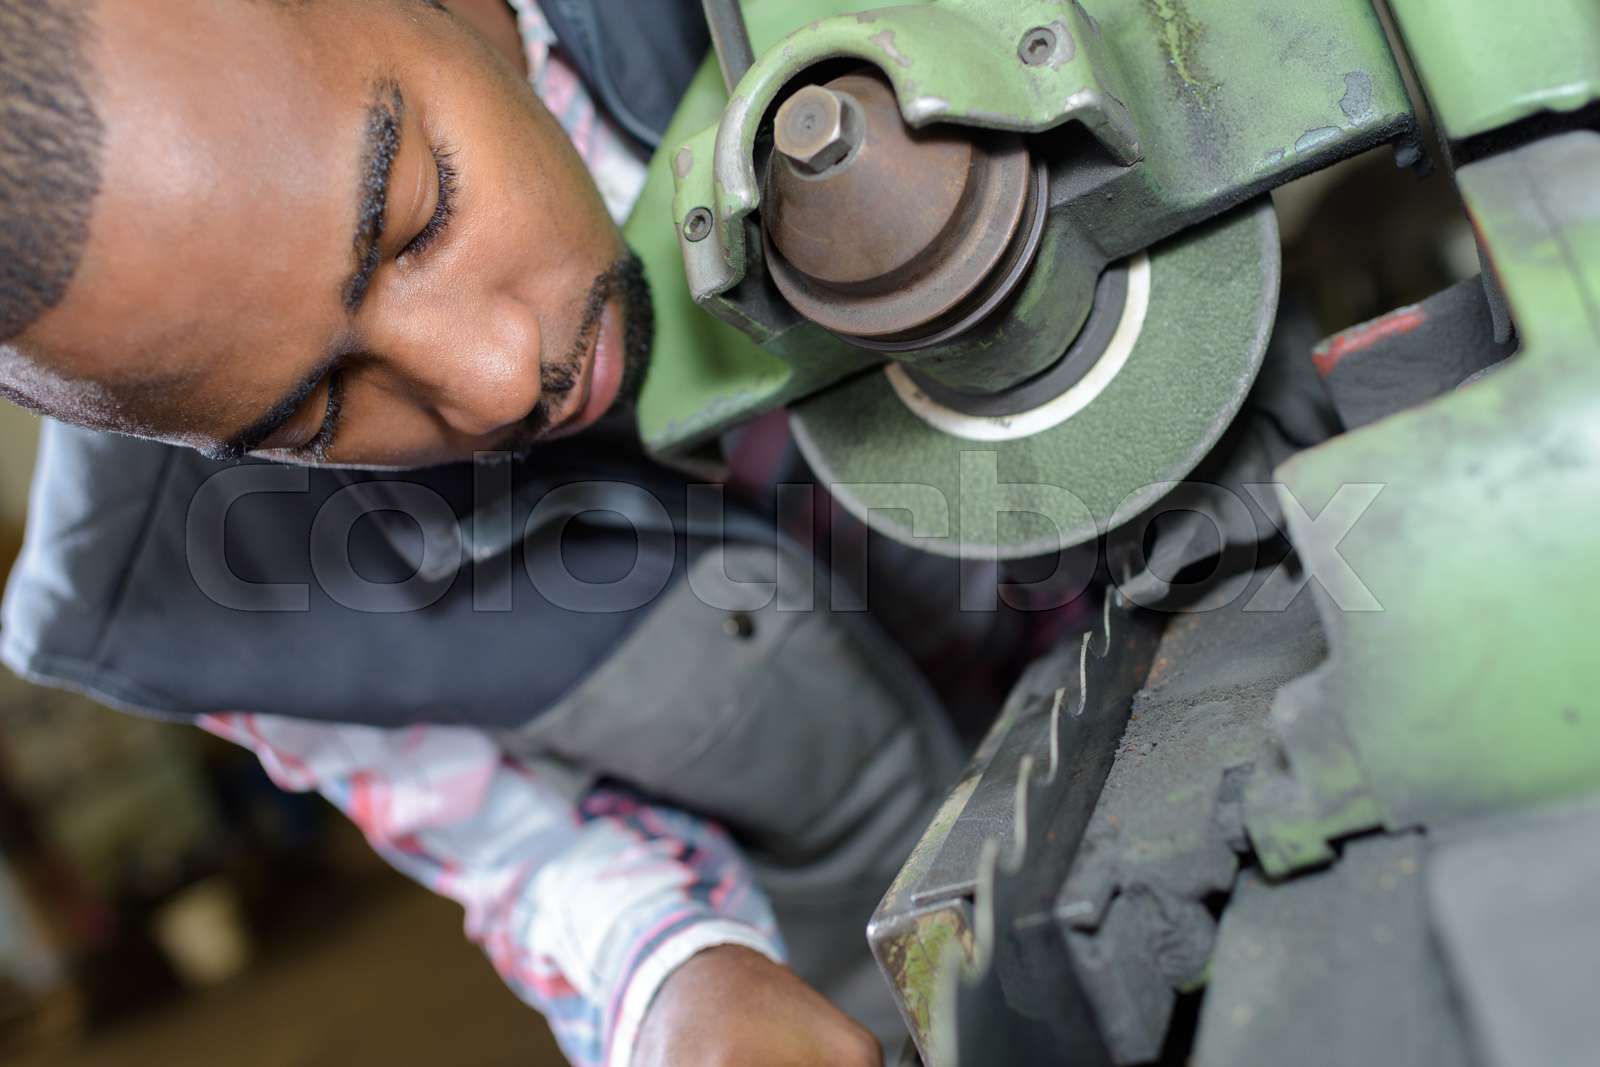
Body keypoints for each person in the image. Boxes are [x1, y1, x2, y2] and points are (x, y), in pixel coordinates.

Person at [0, 2, 1022, 1064]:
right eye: (312, 412)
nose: (494, 384)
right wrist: (672, 973)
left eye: (419, 215)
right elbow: (520, 846)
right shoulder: (183, 593)